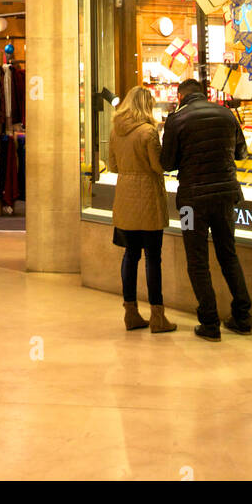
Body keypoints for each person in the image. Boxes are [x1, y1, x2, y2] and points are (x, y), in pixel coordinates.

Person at [159, 77, 252, 342]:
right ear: (202, 94)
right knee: (228, 254)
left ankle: (210, 322)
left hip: (191, 201)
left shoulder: (176, 120)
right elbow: (242, 153)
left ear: (180, 97)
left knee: (196, 260)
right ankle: (242, 317)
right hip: (225, 196)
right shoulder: (226, 113)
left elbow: (166, 163)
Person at [108, 86, 177, 333]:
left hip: (125, 197)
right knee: (153, 258)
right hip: (147, 196)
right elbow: (158, 166)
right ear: (146, 105)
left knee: (130, 255)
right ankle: (158, 316)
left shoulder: (116, 131)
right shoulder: (148, 132)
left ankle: (131, 313)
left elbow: (113, 166)